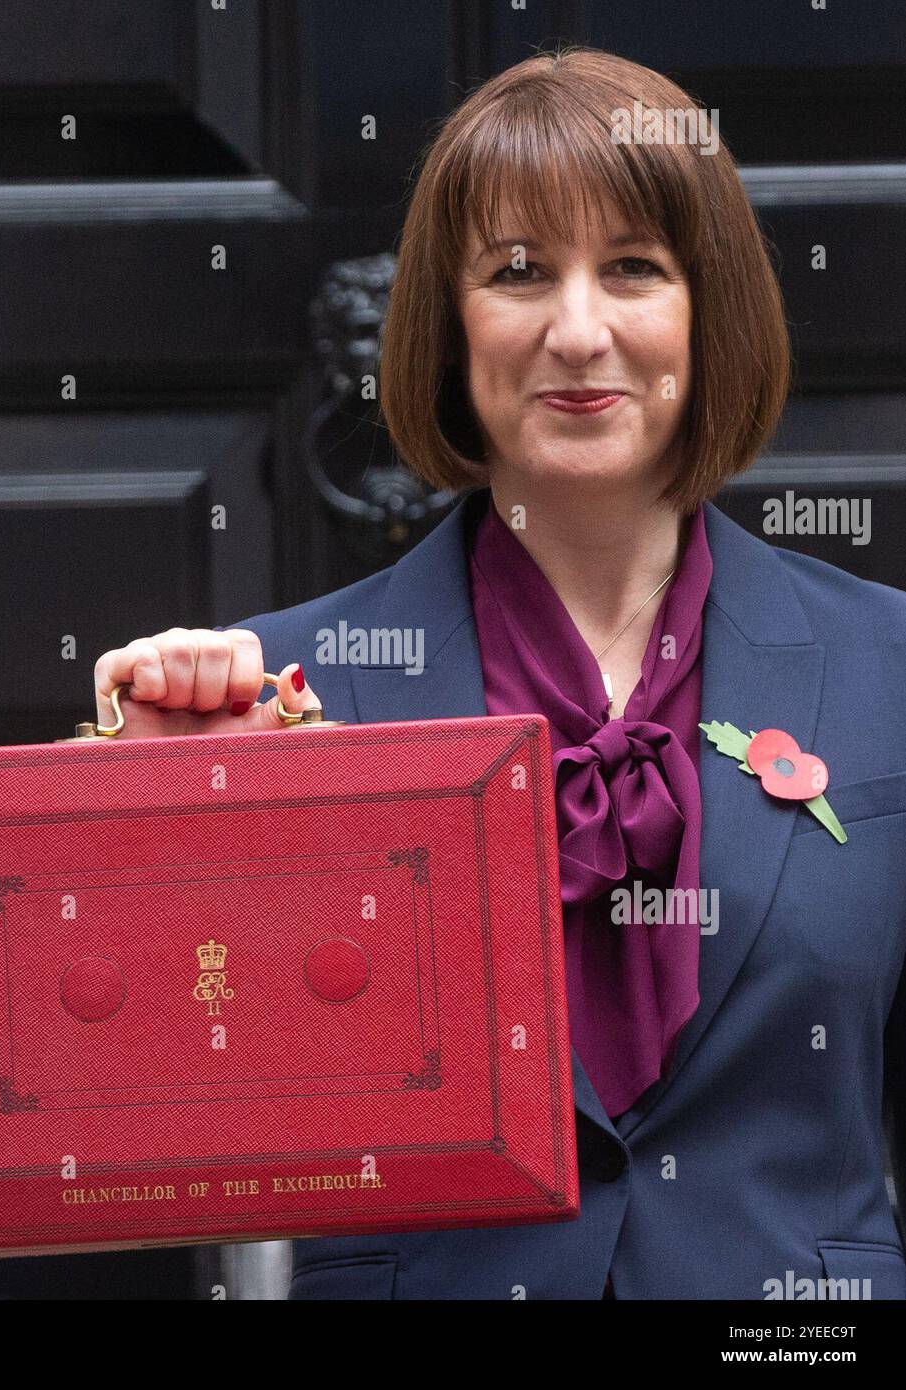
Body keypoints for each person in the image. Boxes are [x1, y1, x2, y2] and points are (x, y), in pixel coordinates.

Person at [93, 47, 906, 1299]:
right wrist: (140, 813)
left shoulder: (885, 663)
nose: (576, 331)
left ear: (710, 309)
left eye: (632, 267)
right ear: (447, 324)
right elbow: (134, 1116)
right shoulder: (286, 694)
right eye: (517, 271)